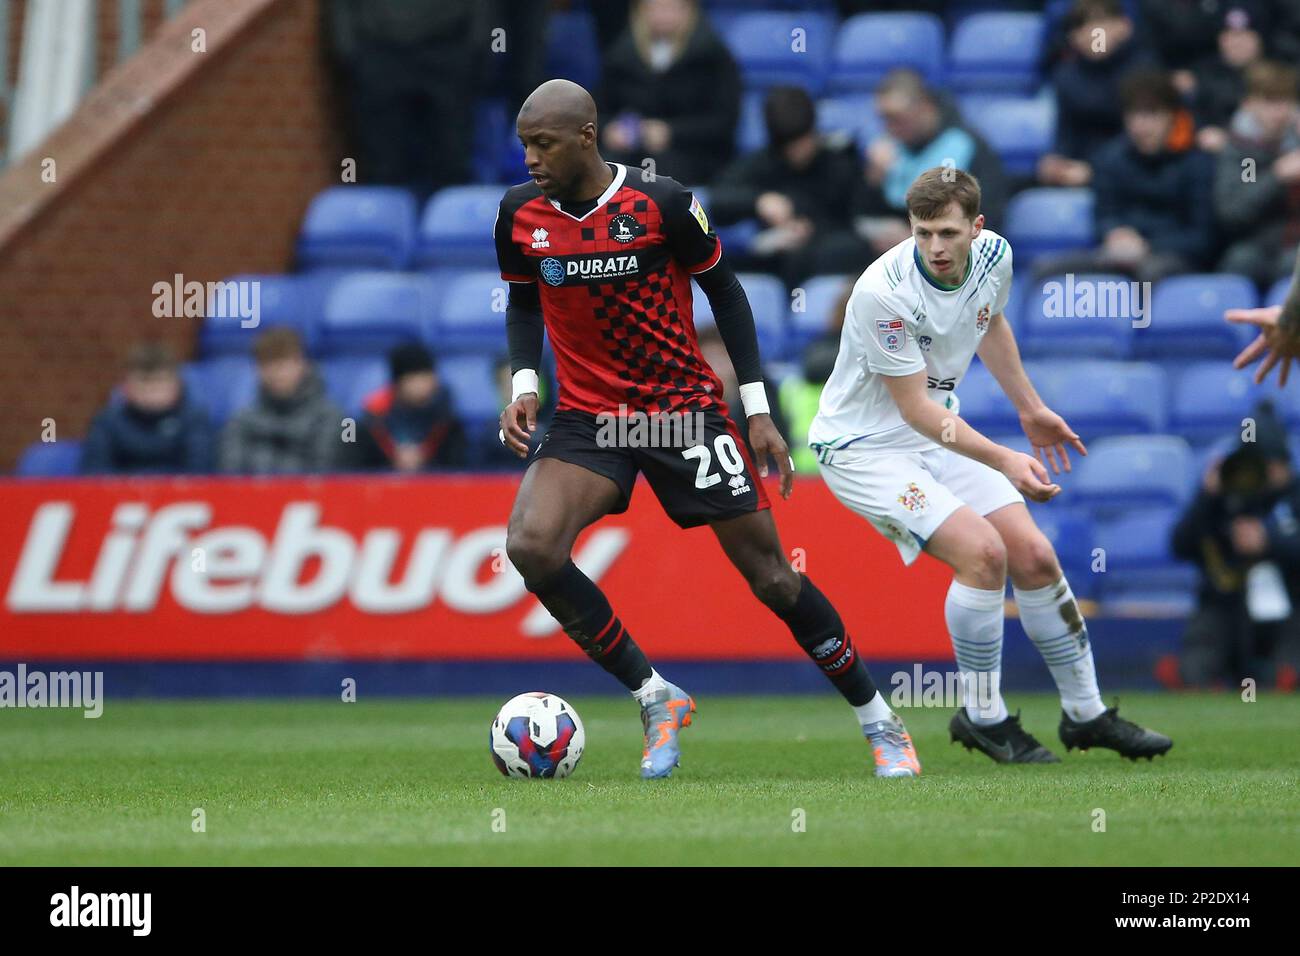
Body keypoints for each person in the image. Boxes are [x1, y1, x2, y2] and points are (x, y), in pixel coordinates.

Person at [496, 79, 920, 779]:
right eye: (524, 145)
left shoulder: (662, 203)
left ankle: (880, 721)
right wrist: (524, 385)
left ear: (586, 136)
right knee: (532, 547)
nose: (531, 159)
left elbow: (725, 290)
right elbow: (521, 299)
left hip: (679, 414)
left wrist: (755, 409)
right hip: (590, 417)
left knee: (774, 580)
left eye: (543, 143)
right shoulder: (519, 214)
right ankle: (655, 695)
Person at [810, 166, 1172, 763]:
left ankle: (1087, 714)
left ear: (977, 228)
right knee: (983, 554)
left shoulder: (994, 257)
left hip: (932, 438)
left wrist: (1030, 409)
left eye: (948, 232)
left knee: (1033, 556)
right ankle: (984, 716)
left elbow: (991, 320)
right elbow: (917, 409)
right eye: (923, 232)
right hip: (865, 449)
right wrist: (1006, 457)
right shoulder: (884, 292)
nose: (935, 247)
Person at [1038, 69, 1216, 283]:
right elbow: (1104, 214)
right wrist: (1115, 232)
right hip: (1121, 250)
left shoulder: (1196, 162)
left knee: (1149, 273)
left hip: (1174, 256)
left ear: (1171, 116)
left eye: (1152, 114)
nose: (1141, 125)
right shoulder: (1111, 158)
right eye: (1134, 115)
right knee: (1045, 269)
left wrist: (1148, 246)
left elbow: (1203, 236)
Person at [1168, 404, 1300, 690]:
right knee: (1196, 663)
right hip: (1227, 605)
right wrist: (1207, 496)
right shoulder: (1223, 497)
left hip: (1292, 606)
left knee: (1290, 671)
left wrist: (1270, 542)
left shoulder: (1295, 496)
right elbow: (1179, 545)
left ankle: (1280, 682)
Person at [709, 86, 872, 285]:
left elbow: (857, 220)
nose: (798, 152)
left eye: (803, 141)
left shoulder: (840, 162)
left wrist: (809, 231)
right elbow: (719, 201)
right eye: (789, 145)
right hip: (777, 260)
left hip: (828, 253)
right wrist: (759, 202)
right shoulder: (761, 163)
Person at [597, 0, 740, 187]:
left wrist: (671, 133)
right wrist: (609, 130)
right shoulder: (620, 55)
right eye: (654, 8)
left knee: (658, 181)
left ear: (690, 11)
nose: (663, 16)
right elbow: (600, 109)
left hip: (693, 155)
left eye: (672, 8)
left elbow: (723, 122)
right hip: (629, 151)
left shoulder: (713, 56)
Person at [863, 70, 1008, 234]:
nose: (890, 128)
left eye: (897, 118)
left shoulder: (964, 146)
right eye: (884, 119)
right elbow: (872, 215)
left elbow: (984, 214)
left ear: (925, 108)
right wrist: (873, 182)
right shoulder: (890, 147)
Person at [1039, 0, 1157, 188]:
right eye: (1082, 26)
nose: (1092, 34)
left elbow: (1144, 136)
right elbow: (1066, 130)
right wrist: (1057, 161)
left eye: (1099, 24)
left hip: (1135, 169)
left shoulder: (1145, 71)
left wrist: (1094, 170)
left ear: (1124, 26)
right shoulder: (1066, 75)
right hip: (1079, 167)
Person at [1213, 61, 1300, 288]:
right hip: (1256, 244)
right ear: (1249, 104)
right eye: (1270, 102)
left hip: (1295, 245)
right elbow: (1235, 210)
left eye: (1285, 101)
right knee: (1240, 262)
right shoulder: (1246, 154)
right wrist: (1277, 176)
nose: (1279, 112)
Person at [219, 328, 343, 475]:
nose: (275, 373)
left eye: (283, 364)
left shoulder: (330, 418)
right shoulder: (240, 420)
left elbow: (324, 476)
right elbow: (230, 476)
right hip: (252, 497)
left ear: (303, 364)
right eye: (267, 365)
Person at [81, 342, 213, 474]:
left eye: (158, 386)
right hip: (119, 493)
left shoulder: (194, 420)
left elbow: (199, 474)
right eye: (143, 386)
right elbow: (95, 474)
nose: (151, 394)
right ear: (126, 388)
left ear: (177, 387)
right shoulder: (107, 422)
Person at [354, 343, 467, 471]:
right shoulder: (371, 421)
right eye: (416, 377)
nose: (426, 384)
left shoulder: (449, 421)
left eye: (429, 376)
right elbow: (357, 470)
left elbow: (457, 470)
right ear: (398, 382)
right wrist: (393, 455)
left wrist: (424, 456)